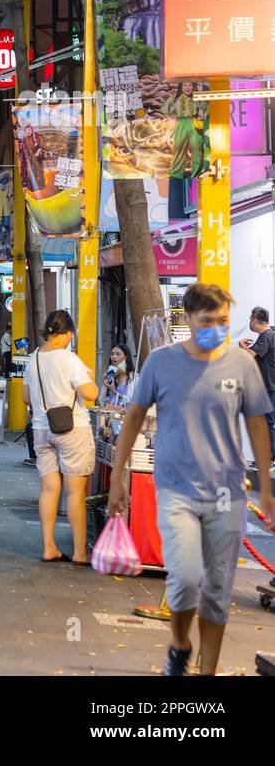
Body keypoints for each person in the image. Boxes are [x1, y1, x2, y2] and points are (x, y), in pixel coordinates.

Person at [111, 283, 274, 676]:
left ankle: (207, 672)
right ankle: (180, 644)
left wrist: (266, 487)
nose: (216, 328)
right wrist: (118, 477)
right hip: (176, 489)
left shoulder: (242, 365)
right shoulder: (161, 362)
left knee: (217, 593)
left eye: (222, 321)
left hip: (227, 493)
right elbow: (133, 417)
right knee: (184, 581)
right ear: (188, 319)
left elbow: (255, 425)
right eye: (207, 321)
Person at [21, 310, 99, 564]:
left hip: (41, 429)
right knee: (75, 492)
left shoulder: (32, 359)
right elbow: (90, 393)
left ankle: (49, 547)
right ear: (68, 334)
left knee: (49, 489)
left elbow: (25, 398)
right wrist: (92, 381)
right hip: (71, 429)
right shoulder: (69, 359)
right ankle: (79, 552)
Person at [239, 306, 275, 454]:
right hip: (267, 386)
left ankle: (271, 458)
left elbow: (250, 355)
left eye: (250, 319)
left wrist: (241, 346)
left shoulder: (267, 336)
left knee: (268, 423)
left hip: (269, 387)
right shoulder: (267, 336)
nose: (249, 322)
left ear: (254, 320)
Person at [102, 342, 136, 407]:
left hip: (125, 415)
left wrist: (114, 391)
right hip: (110, 414)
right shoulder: (110, 374)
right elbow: (101, 400)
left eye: (118, 354)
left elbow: (132, 402)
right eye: (112, 354)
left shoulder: (133, 376)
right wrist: (105, 386)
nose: (114, 357)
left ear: (125, 357)